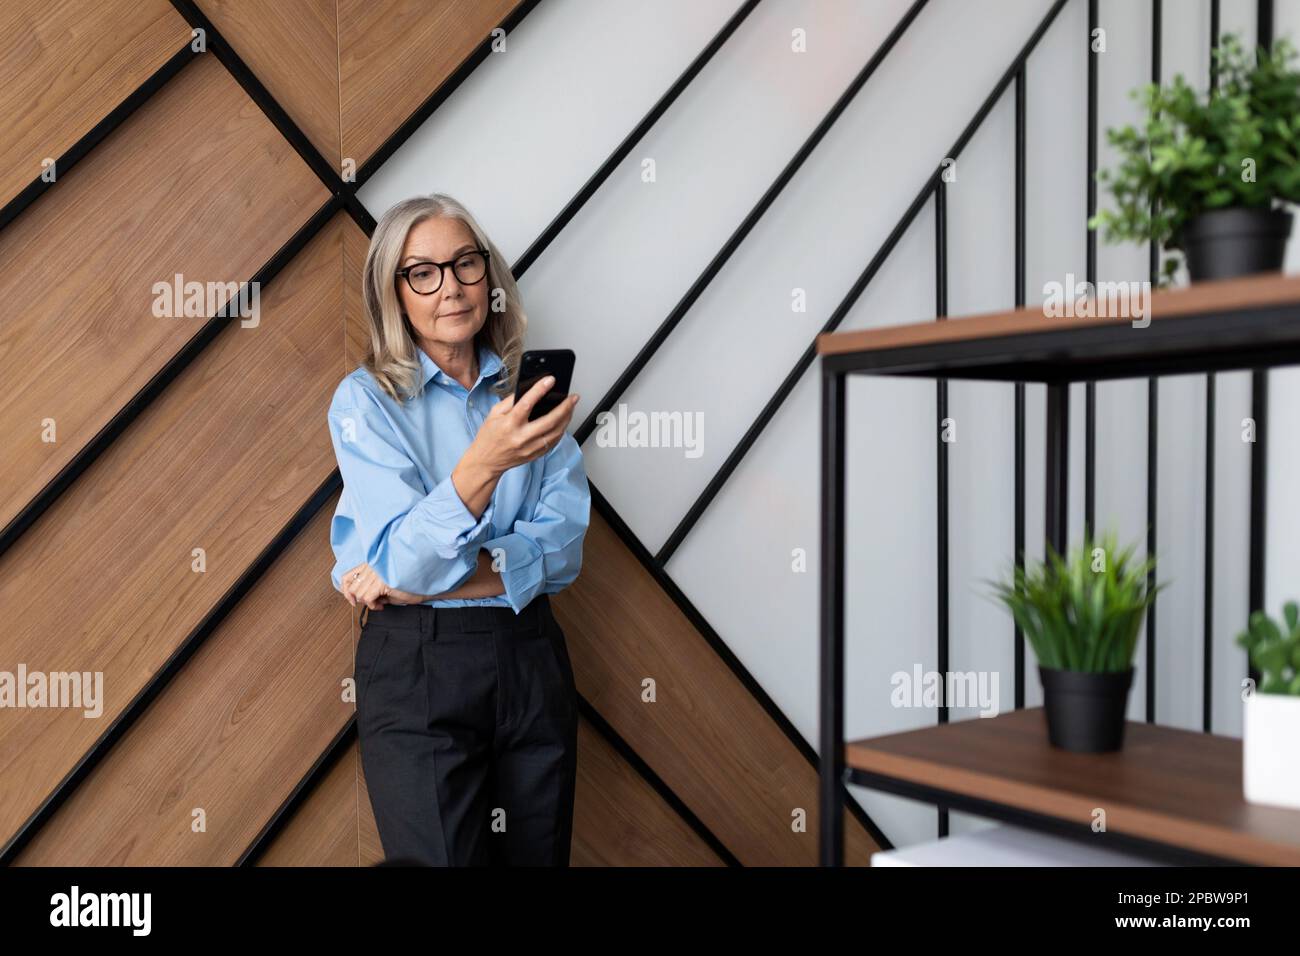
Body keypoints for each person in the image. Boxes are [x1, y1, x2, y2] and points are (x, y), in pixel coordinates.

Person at [326, 193, 590, 866]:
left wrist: (439, 578)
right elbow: (405, 563)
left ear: (489, 277)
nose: (450, 287)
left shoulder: (526, 395)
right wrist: (488, 463)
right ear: (395, 293)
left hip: (531, 654)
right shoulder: (366, 403)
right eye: (424, 272)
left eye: (465, 263)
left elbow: (563, 550)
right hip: (419, 668)